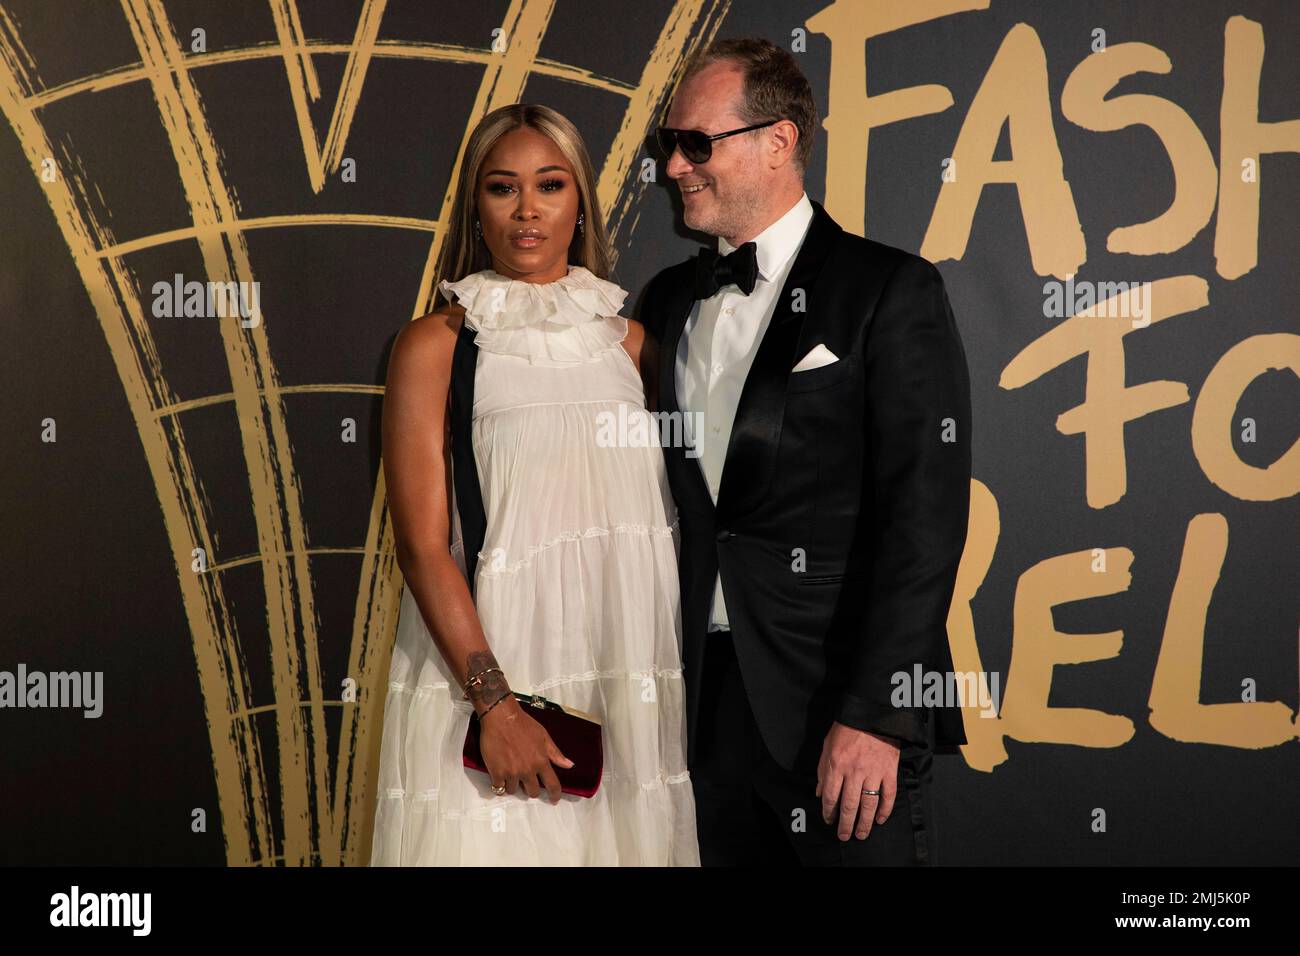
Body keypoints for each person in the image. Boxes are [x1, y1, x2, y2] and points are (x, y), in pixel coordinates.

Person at [640, 38, 972, 865]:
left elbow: (922, 524)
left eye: (695, 143)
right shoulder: (669, 299)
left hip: (835, 712)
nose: (674, 168)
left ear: (779, 141)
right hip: (694, 712)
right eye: (667, 146)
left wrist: (875, 715)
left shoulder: (889, 290)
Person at [370, 103, 699, 866]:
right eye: (502, 188)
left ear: (580, 200)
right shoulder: (436, 346)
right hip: (490, 686)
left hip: (624, 681)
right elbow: (421, 548)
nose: (527, 210)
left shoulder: (635, 344)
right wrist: (498, 707)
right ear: (474, 206)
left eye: (549, 185)